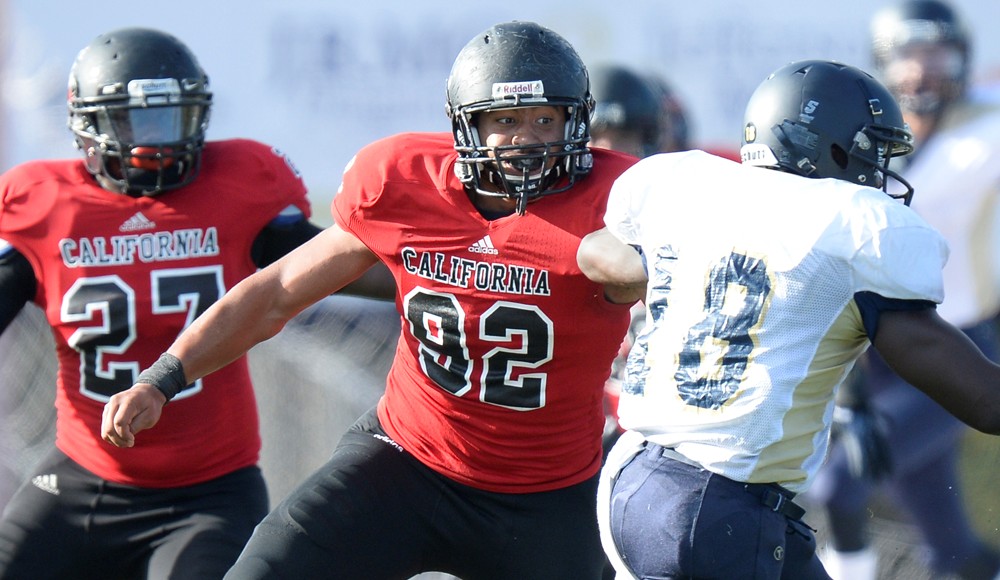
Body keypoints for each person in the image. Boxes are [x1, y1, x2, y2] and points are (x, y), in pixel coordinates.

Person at [101, 21, 637, 579]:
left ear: (575, 120)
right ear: (466, 125)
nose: (527, 138)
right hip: (406, 462)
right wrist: (164, 375)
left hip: (546, 497)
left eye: (544, 119)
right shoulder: (404, 183)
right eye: (505, 120)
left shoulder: (620, 205)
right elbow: (276, 294)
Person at [578, 58, 1000, 580]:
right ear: (833, 147)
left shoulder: (689, 187)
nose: (880, 171)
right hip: (715, 505)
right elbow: (983, 400)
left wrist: (677, 270)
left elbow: (595, 254)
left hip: (633, 475)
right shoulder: (850, 225)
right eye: (873, 151)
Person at [0, 27, 380, 579]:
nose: (160, 143)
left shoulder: (241, 180)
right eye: (137, 122)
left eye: (174, 118)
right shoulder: (41, 202)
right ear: (88, 126)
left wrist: (429, 273)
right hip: (82, 476)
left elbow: (331, 265)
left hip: (206, 494)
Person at [807, 2, 1000, 579]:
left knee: (839, 487)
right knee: (951, 548)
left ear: (962, 57)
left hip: (959, 346)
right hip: (873, 351)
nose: (923, 71)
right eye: (910, 55)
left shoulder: (987, 129)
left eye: (935, 53)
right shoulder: (863, 133)